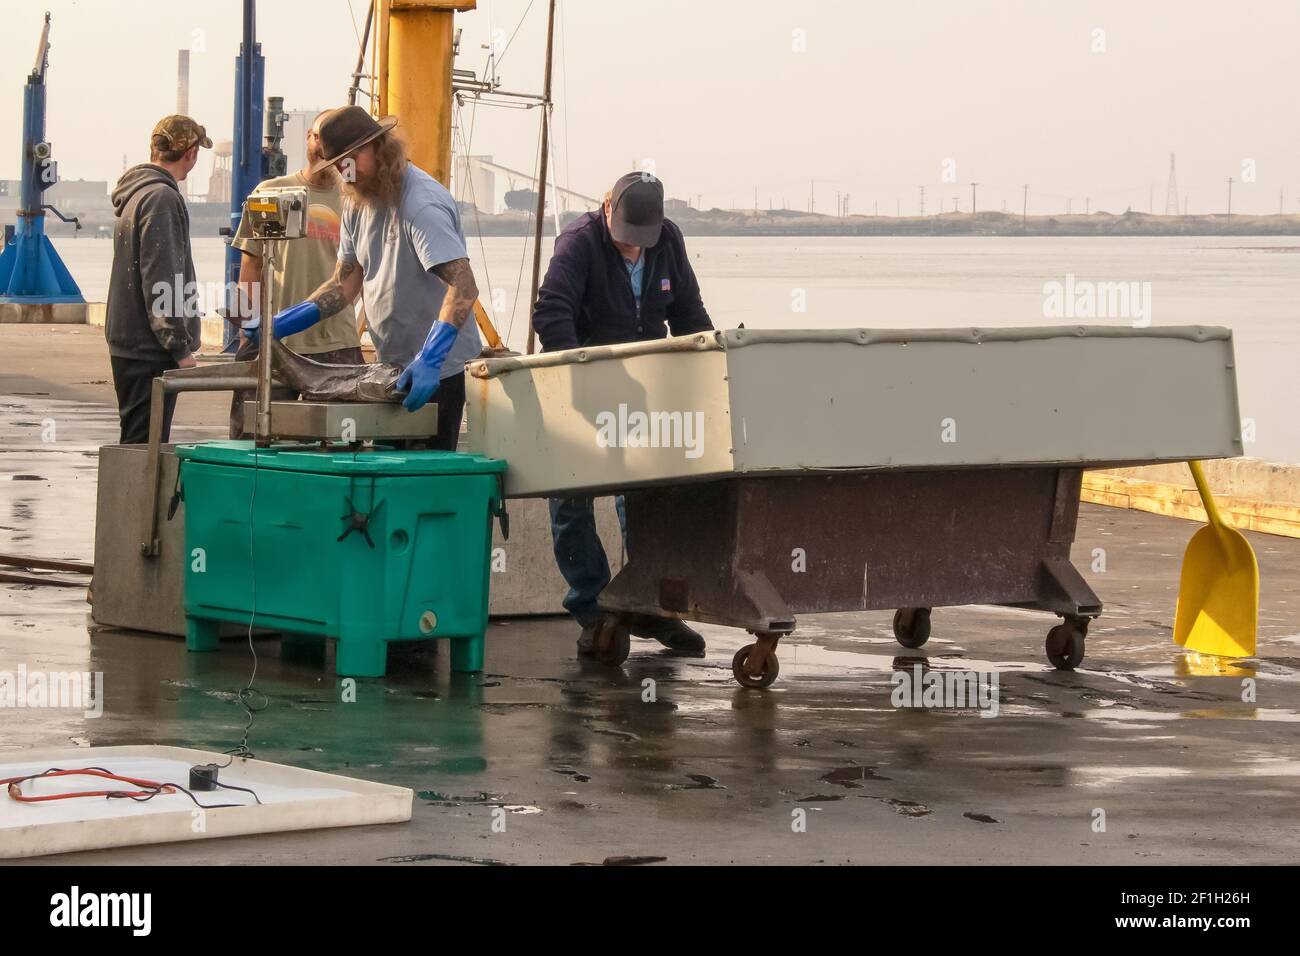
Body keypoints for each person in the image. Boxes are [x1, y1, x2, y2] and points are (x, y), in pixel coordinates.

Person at [531, 171, 714, 658]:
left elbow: (689, 313)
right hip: (584, 382)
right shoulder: (578, 243)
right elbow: (551, 312)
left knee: (648, 497)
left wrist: (709, 369)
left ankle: (652, 606)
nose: (633, 250)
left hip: (646, 388)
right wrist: (575, 378)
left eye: (642, 243)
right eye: (625, 241)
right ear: (605, 205)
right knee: (573, 499)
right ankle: (592, 609)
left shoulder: (667, 239)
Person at [252, 105, 481, 450]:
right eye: (337, 167)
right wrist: (282, 322)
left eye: (349, 162)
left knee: (425, 478)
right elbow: (345, 283)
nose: (345, 175)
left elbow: (464, 284)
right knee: (386, 473)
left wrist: (431, 358)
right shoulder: (359, 202)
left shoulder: (421, 205)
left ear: (378, 148)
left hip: (439, 372)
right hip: (390, 366)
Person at [227, 112, 364, 438]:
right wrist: (250, 326)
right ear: (307, 140)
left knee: (340, 443)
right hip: (276, 339)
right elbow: (252, 264)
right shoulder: (271, 191)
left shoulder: (357, 201)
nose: (322, 147)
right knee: (256, 438)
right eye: (317, 136)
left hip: (337, 342)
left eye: (331, 141)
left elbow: (361, 273)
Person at [104, 115, 208, 444]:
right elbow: (161, 278)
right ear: (190, 153)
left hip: (130, 342)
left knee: (137, 441)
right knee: (144, 447)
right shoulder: (162, 199)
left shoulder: (135, 194)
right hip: (149, 349)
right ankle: (134, 498)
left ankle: (131, 496)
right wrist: (179, 347)